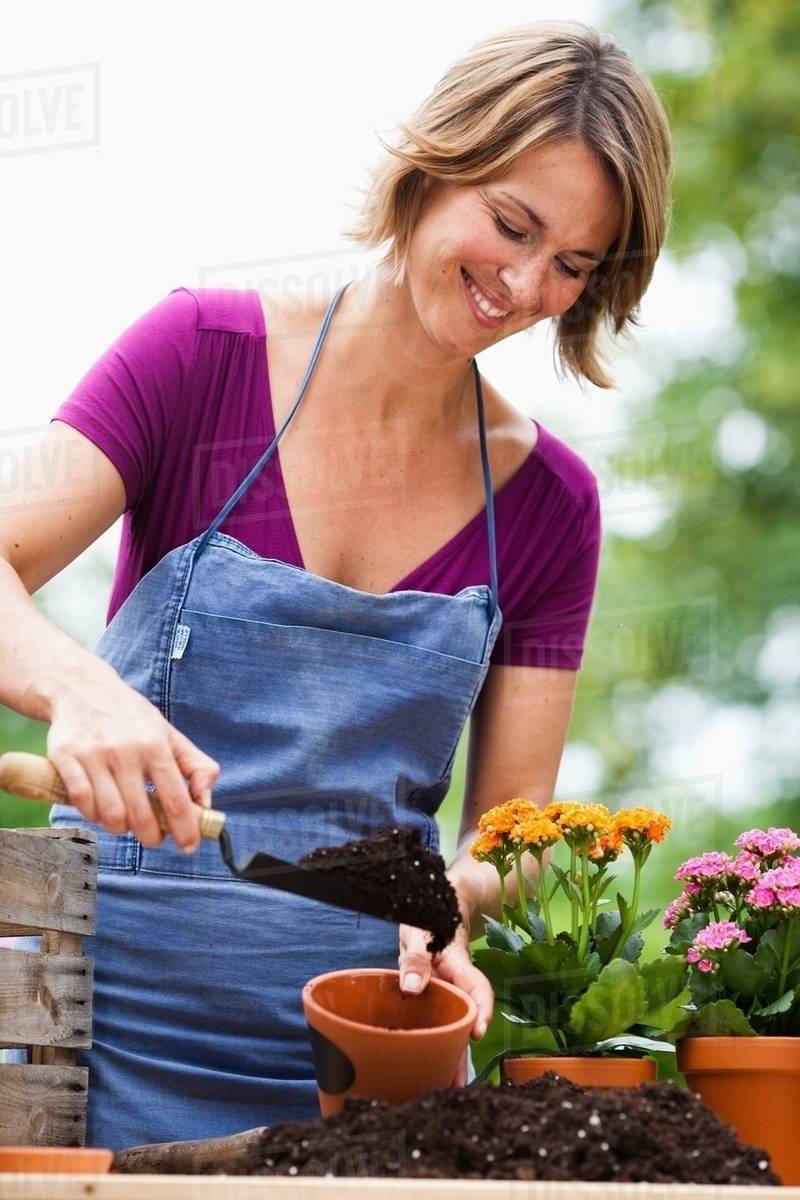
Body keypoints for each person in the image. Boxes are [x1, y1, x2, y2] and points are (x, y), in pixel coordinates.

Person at [0, 21, 670, 1149]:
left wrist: (457, 900)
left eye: (571, 264)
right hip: (90, 1033)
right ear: (432, 167)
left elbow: (519, 830)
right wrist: (82, 689)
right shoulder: (195, 357)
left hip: (363, 1066)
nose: (521, 284)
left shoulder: (549, 504)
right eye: (510, 224)